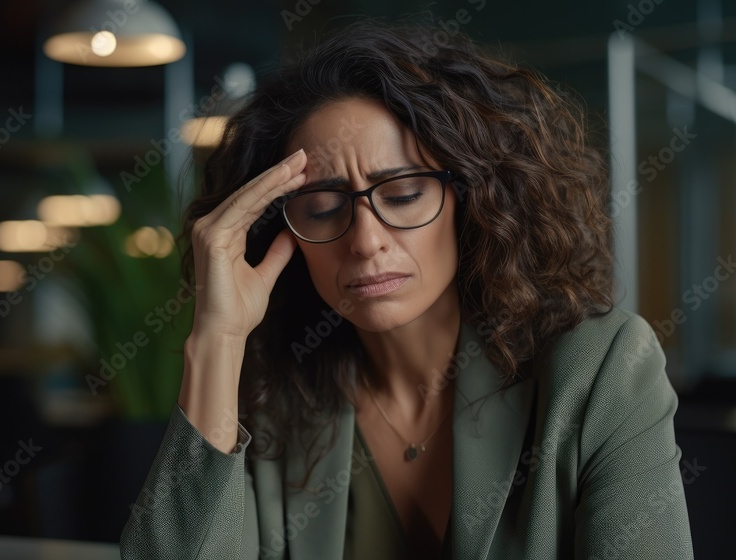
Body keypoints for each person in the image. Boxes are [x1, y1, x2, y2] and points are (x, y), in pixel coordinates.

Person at [119, 18, 694, 560]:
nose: (366, 241)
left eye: (401, 195)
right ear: (282, 231)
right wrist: (217, 340)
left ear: (471, 199)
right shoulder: (268, 397)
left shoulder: (601, 368)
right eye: (321, 207)